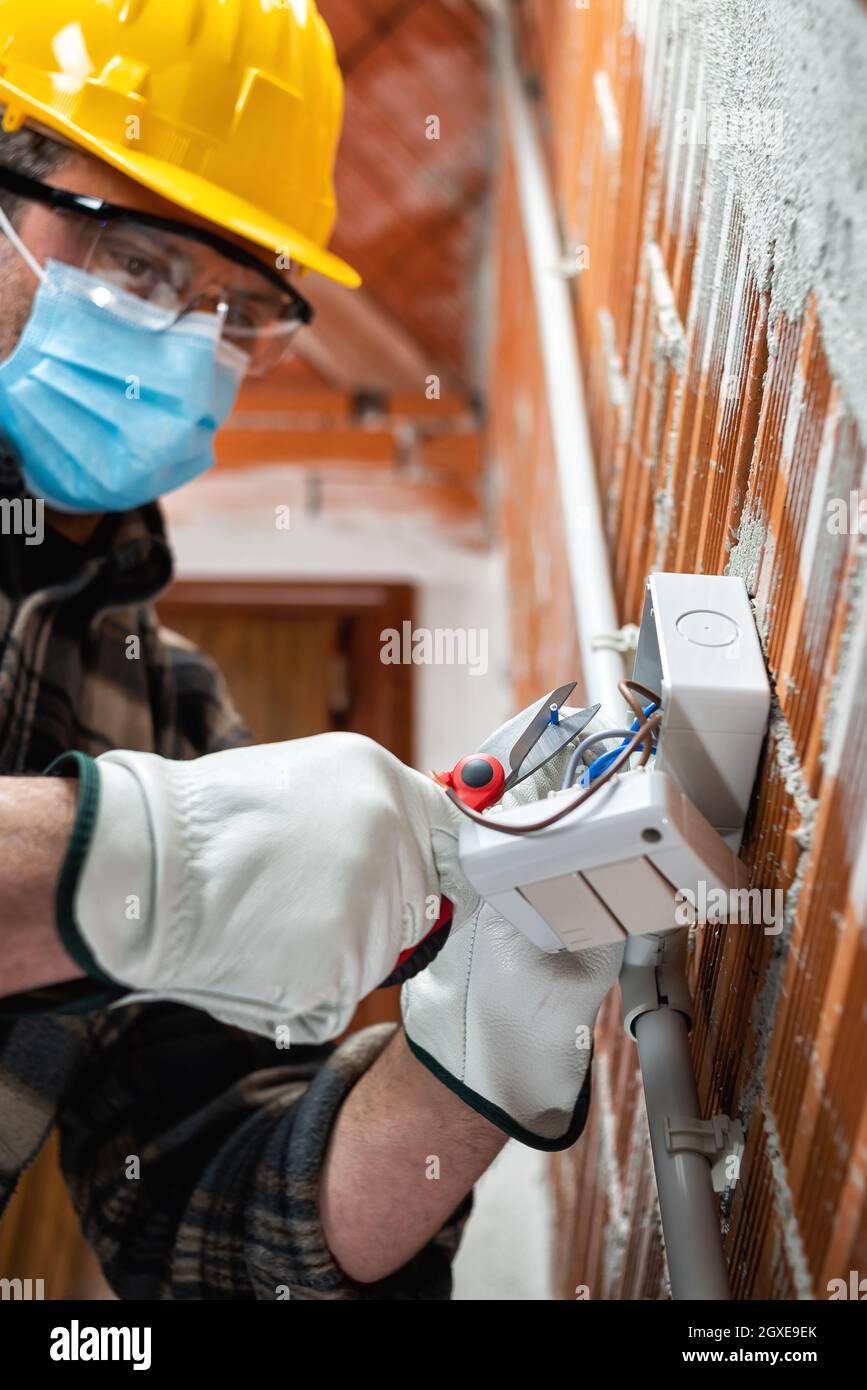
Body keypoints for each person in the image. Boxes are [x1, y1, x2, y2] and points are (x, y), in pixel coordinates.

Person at [0, 0, 620, 1298]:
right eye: (137, 259)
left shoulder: (165, 714)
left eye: (237, 307)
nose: (188, 345)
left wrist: (467, 1063)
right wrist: (146, 864)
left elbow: (220, 1238)